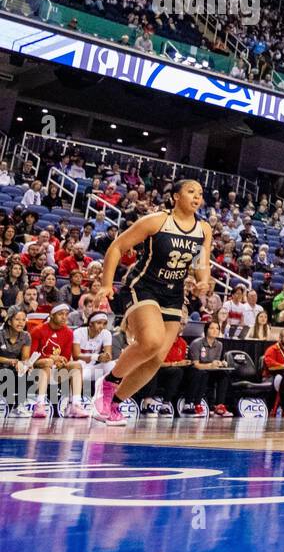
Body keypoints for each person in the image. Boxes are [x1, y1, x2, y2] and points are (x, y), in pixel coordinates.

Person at [91, 180, 213, 425]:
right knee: (151, 341)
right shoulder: (157, 220)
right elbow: (117, 247)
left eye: (200, 193)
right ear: (176, 196)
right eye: (191, 191)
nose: (197, 197)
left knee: (157, 359)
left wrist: (203, 281)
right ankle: (108, 384)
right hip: (143, 286)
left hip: (174, 294)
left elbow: (202, 264)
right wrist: (106, 284)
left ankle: (115, 402)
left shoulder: (204, 229)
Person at [260, 326, 284, 415]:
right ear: (280, 338)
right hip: (271, 376)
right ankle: (280, 404)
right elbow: (271, 366)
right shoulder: (272, 349)